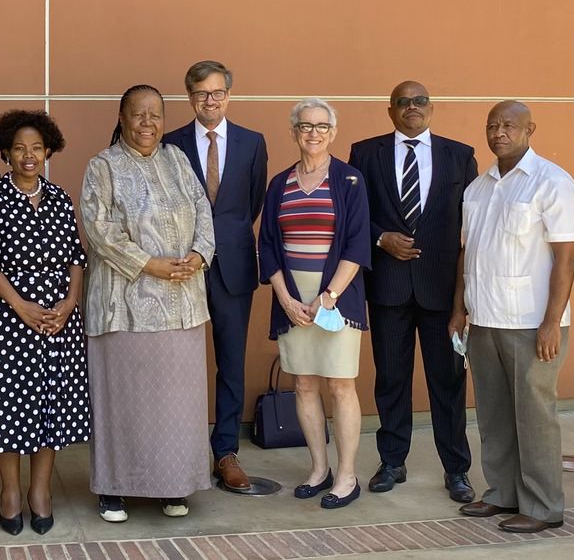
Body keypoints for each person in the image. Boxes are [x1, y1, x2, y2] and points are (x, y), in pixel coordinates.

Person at [82, 85, 216, 523]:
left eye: (155, 115)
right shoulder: (102, 166)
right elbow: (98, 230)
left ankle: (171, 485)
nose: (147, 123)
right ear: (121, 118)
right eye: (138, 115)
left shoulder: (177, 160)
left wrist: (200, 253)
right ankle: (115, 489)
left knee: (175, 405)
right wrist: (148, 265)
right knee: (124, 402)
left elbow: (203, 209)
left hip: (182, 306)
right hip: (124, 307)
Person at [452, 100, 574, 534]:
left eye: (509, 125)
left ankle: (544, 506)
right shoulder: (479, 187)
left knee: (534, 416)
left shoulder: (552, 183)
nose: (499, 132)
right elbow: (466, 254)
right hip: (485, 319)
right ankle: (503, 494)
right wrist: (459, 310)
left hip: (531, 323)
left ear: (530, 129)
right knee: (494, 413)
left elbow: (566, 258)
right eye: (492, 125)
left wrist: (552, 321)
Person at [0, 109, 88, 536]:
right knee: (8, 410)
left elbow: (75, 257)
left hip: (58, 321)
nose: (28, 155)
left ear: (48, 150)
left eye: (36, 148)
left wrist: (70, 302)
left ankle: (41, 492)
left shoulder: (60, 197)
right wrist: (21, 306)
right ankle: (11, 492)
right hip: (5, 321)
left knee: (50, 408)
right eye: (19, 148)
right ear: (5, 154)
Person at [348, 81, 477, 502]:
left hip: (442, 292)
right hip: (388, 287)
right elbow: (354, 216)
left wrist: (464, 299)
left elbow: (469, 228)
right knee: (391, 380)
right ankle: (392, 461)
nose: (412, 107)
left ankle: (457, 469)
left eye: (420, 101)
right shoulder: (365, 153)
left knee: (448, 382)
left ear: (432, 108)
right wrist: (381, 237)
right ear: (390, 111)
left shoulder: (460, 155)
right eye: (403, 102)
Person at [258, 97, 371, 509]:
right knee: (303, 383)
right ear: (294, 132)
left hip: (336, 296)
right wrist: (286, 298)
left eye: (322, 126)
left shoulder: (350, 180)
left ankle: (346, 476)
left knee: (341, 385)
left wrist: (329, 297)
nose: (314, 133)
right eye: (305, 126)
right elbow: (268, 245)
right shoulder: (279, 184)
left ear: (333, 133)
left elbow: (357, 246)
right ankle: (319, 469)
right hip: (291, 296)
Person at [162, 60, 267, 491]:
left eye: (218, 92)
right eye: (202, 93)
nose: (211, 100)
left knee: (231, 364)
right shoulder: (170, 144)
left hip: (233, 268)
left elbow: (251, 204)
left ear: (229, 95)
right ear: (190, 97)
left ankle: (225, 452)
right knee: (177, 365)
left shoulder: (252, 143)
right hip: (180, 268)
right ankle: (178, 451)